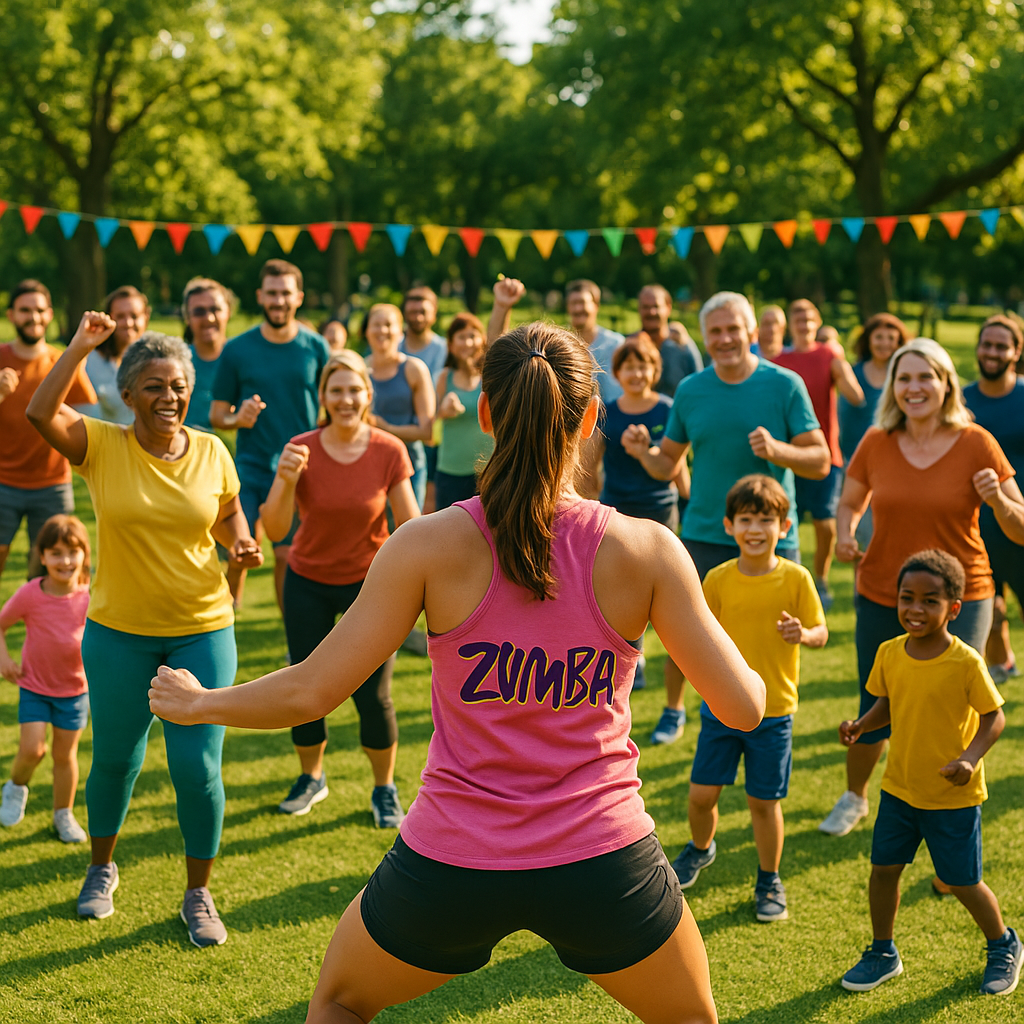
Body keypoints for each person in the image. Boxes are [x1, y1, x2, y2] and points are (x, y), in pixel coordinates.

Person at [149, 322, 766, 1024]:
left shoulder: (425, 544)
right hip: (602, 858)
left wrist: (200, 702)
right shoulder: (647, 549)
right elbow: (745, 707)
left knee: (340, 1003)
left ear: (484, 414)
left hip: (452, 861)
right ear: (593, 416)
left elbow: (313, 688)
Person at [26, 316, 263, 946]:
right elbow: (38, 412)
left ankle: (198, 892)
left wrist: (239, 541)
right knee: (115, 762)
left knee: (197, 768)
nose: (170, 397)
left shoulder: (212, 449)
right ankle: (100, 868)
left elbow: (228, 511)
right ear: (127, 394)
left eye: (179, 385)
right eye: (154, 386)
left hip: (202, 629)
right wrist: (79, 345)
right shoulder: (100, 444)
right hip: (118, 635)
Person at [821, 338, 1024, 838]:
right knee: (876, 701)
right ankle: (855, 797)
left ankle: (953, 817)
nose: (914, 388)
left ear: (946, 383)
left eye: (925, 377)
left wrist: (998, 500)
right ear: (892, 387)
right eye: (904, 378)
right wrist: (846, 534)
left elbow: (1020, 527)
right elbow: (848, 503)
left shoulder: (977, 442)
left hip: (962, 598)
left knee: (952, 707)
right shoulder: (876, 441)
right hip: (883, 590)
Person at [622, 291, 829, 746]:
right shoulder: (692, 391)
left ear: (752, 332)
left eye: (734, 329)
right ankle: (674, 711)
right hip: (704, 533)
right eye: (715, 331)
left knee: (769, 637)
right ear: (704, 337)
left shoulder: (785, 385)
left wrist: (778, 450)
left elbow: (820, 459)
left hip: (770, 535)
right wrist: (645, 453)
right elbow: (668, 463)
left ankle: (766, 725)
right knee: (682, 636)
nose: (725, 338)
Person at [838, 550, 1021, 996]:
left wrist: (969, 759)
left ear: (953, 608)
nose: (915, 609)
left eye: (930, 601)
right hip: (900, 789)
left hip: (951, 795)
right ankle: (883, 951)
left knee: (961, 882)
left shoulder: (965, 661)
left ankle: (1003, 944)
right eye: (907, 598)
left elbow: (994, 716)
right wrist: (863, 724)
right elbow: (888, 703)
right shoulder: (889, 652)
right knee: (883, 871)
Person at [260, 351, 419, 822]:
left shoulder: (389, 449)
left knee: (373, 695)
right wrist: (286, 479)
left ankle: (384, 788)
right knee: (304, 687)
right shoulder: (301, 448)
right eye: (336, 390)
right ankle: (312, 777)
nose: (346, 399)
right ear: (323, 397)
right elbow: (273, 529)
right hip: (307, 582)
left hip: (371, 589)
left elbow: (410, 525)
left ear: (368, 395)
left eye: (355, 390)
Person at [672, 475, 826, 922]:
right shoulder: (717, 579)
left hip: (774, 713)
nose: (755, 529)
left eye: (765, 520)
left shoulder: (796, 578)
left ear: (785, 526)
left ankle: (769, 878)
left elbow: (821, 631)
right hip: (721, 708)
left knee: (763, 803)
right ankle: (701, 849)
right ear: (728, 526)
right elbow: (697, 635)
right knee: (701, 796)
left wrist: (805, 634)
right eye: (745, 520)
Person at [210, 259, 331, 614]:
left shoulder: (316, 347)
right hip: (251, 465)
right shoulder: (237, 349)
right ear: (260, 296)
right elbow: (218, 414)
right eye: (272, 294)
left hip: (300, 467)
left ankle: (289, 629)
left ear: (299, 297)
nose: (278, 301)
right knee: (240, 548)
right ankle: (226, 616)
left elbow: (330, 405)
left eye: (285, 294)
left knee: (285, 554)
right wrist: (238, 418)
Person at [587, 334, 678, 689]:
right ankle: (631, 658)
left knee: (660, 590)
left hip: (660, 510)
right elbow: (589, 466)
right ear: (618, 373)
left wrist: (644, 452)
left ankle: (672, 651)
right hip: (617, 510)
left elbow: (670, 469)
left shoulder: (667, 410)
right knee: (619, 589)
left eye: (643, 366)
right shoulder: (608, 411)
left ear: (654, 370)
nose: (636, 373)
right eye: (628, 367)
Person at [0, 515, 91, 842]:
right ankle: (15, 788)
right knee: (32, 750)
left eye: (72, 552)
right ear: (41, 557)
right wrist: (4, 659)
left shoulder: (90, 597)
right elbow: (1, 624)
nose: (65, 561)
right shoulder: (30, 594)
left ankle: (63, 814)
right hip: (35, 688)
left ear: (84, 555)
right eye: (55, 553)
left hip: (76, 692)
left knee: (64, 756)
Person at [771, 299, 865, 610]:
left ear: (817, 322)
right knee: (782, 519)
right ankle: (784, 577)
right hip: (787, 455)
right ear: (790, 324)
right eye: (797, 316)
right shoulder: (779, 360)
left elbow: (856, 396)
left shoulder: (828, 355)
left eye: (809, 316)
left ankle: (821, 578)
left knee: (825, 523)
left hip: (826, 454)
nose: (803, 322)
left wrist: (840, 362)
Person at [1, 280, 96, 582]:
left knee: (53, 571)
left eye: (40, 310)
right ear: (11, 315)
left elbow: (90, 421)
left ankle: (45, 628)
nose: (34, 317)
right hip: (2, 482)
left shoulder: (62, 363)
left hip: (52, 485)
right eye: (25, 310)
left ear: (50, 314)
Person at [964, 315, 1024, 684]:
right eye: (987, 344)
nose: (992, 352)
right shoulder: (961, 401)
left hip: (1020, 521)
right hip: (976, 524)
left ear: (1017, 352)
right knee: (989, 606)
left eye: (1001, 346)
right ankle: (1002, 666)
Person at [838, 313, 910, 550]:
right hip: (857, 464)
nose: (885, 343)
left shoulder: (905, 377)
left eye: (891, 338)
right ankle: (863, 584)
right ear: (868, 340)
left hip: (897, 462)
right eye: (879, 337)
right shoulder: (853, 373)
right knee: (862, 535)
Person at [363, 303, 435, 510]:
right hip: (369, 464)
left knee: (408, 534)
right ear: (367, 331)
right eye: (376, 324)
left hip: (408, 467)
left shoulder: (414, 369)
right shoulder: (359, 370)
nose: (382, 330)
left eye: (388, 324)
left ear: (401, 331)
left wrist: (385, 428)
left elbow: (427, 431)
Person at [433, 312, 494, 510]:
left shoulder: (490, 377)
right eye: (461, 337)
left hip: (488, 470)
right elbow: (429, 422)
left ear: (482, 340)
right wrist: (442, 410)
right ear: (450, 344)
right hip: (451, 471)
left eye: (472, 336)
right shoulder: (444, 378)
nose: (467, 343)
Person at [74, 285, 150, 424]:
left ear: (146, 317)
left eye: (134, 316)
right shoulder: (88, 362)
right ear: (108, 317)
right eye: (120, 316)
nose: (127, 323)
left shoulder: (156, 360)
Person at [181, 278, 235, 433]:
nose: (209, 318)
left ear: (228, 312)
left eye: (215, 309)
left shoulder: (243, 358)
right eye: (199, 311)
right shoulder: (178, 362)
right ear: (187, 317)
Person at [630, 284, 703, 398]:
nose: (651, 312)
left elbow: (699, 385)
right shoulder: (629, 346)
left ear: (668, 308)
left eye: (656, 306)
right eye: (646, 307)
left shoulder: (682, 346)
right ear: (639, 309)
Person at [565, 279, 625, 404]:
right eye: (573, 303)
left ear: (596, 305)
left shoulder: (616, 344)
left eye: (582, 302)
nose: (577, 308)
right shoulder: (562, 345)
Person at [399, 286, 448, 380]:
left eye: (423, 312)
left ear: (434, 313)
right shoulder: (394, 347)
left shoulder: (446, 349)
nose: (418, 318)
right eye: (413, 312)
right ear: (404, 313)